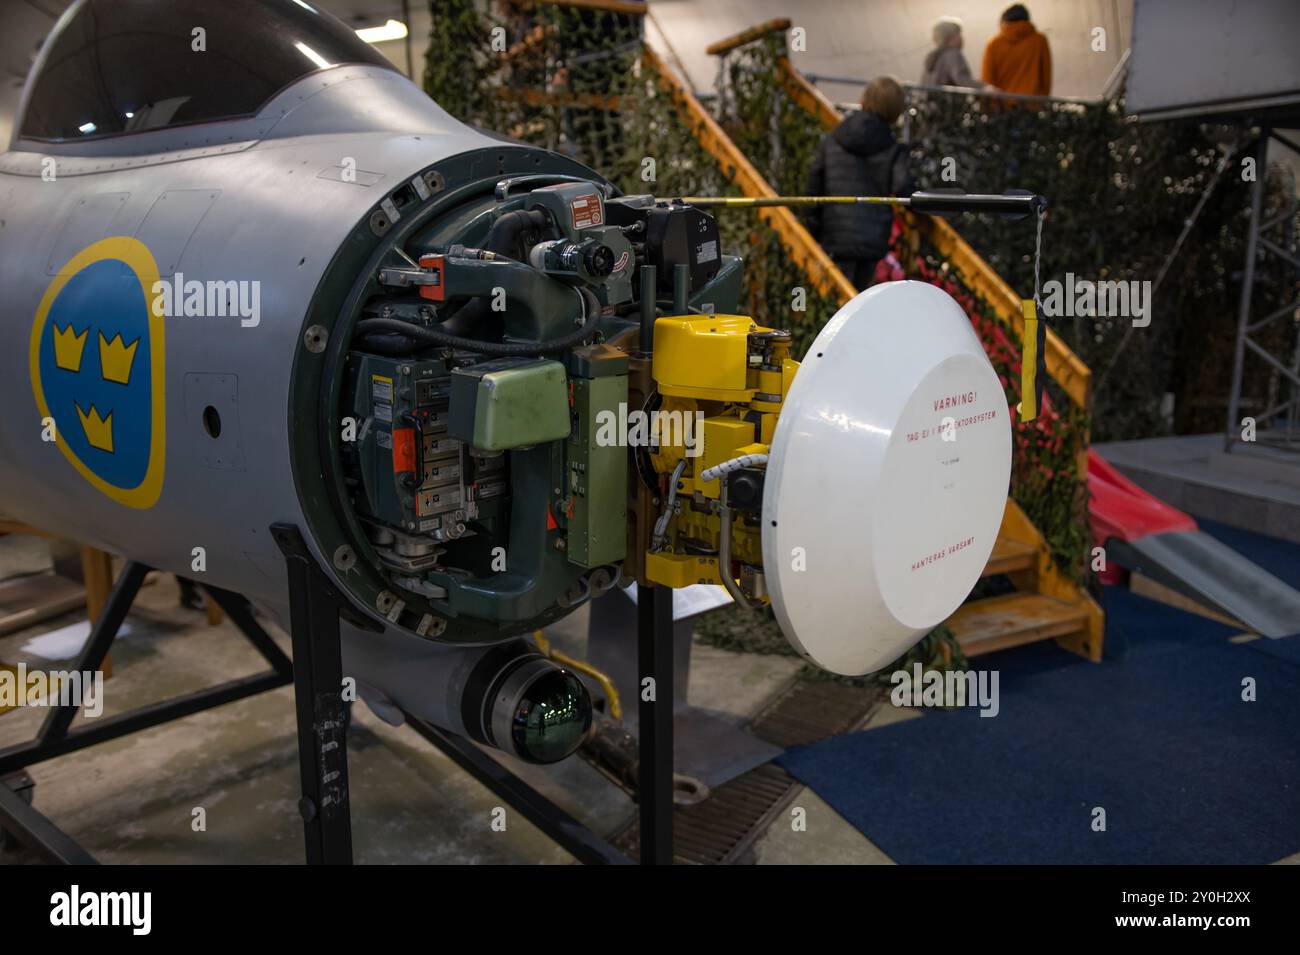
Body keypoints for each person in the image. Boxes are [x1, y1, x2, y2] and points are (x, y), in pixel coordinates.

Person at [805, 76, 915, 291]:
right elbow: (904, 189)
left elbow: (812, 189)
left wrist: (816, 232)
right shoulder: (893, 148)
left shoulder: (834, 138)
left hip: (834, 237)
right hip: (872, 242)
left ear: (864, 99)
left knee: (834, 307)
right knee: (861, 303)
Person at [980, 4, 1052, 97]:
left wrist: (988, 105)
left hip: (1001, 103)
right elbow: (1046, 74)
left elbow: (987, 78)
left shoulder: (994, 44)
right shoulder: (1039, 41)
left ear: (1004, 21)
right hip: (1031, 102)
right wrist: (1043, 98)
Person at [922, 16, 984, 89]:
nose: (961, 38)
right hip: (947, 99)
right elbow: (962, 78)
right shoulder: (953, 54)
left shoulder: (933, 56)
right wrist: (984, 87)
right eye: (958, 34)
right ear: (949, 37)